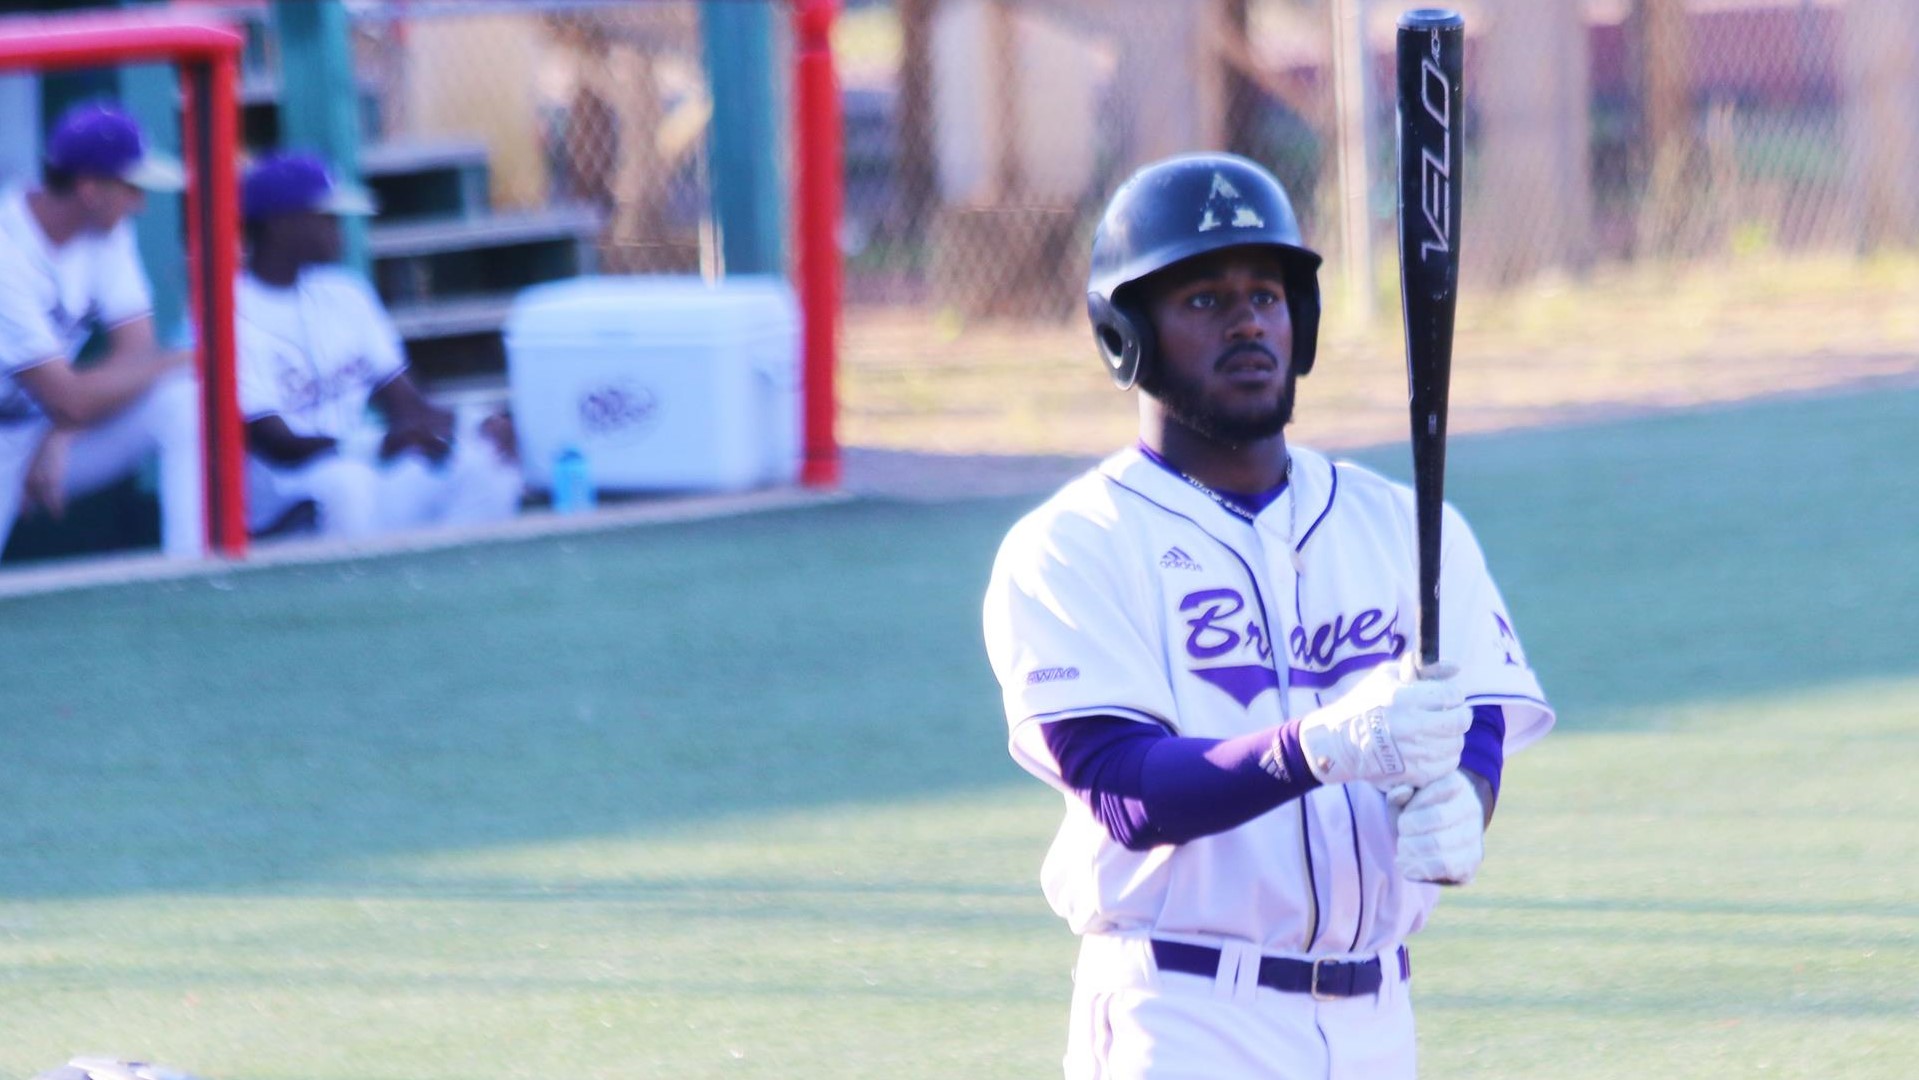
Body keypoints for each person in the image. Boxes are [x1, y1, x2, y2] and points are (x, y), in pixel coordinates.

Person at [981, 153, 1555, 1078]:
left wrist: (1468, 796)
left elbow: (1473, 702)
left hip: (1378, 1019)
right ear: (1127, 333)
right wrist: (1316, 748)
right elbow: (1123, 790)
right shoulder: (1072, 547)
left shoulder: (1400, 523)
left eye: (1267, 294)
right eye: (1203, 299)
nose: (1247, 318)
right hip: (1185, 1016)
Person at [236, 151, 521, 540]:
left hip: (365, 473)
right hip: (288, 501)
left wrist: (475, 423)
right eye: (326, 217)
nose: (338, 228)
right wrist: (376, 445)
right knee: (347, 482)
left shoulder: (346, 293)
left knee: (488, 460)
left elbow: (408, 404)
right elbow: (277, 445)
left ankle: (449, 589)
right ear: (279, 224)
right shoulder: (228, 312)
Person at [0, 101, 202, 559]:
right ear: (90, 188)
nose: (141, 202)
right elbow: (74, 394)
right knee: (177, 368)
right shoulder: (5, 250)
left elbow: (137, 353)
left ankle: (193, 569)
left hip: (47, 426)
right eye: (131, 188)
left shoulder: (109, 233)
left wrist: (63, 429)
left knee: (182, 397)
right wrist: (175, 358)